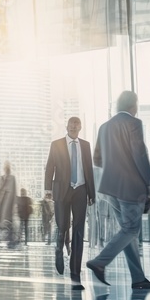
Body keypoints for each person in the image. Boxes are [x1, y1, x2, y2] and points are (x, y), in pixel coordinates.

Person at [85, 91, 150, 290]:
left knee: (128, 232)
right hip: (130, 187)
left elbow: (97, 160)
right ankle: (100, 262)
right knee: (131, 229)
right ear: (133, 105)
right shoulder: (133, 123)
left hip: (110, 188)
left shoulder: (104, 127)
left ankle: (138, 278)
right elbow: (139, 155)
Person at [45, 116, 97, 289]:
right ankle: (59, 249)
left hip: (81, 190)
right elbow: (50, 167)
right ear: (66, 127)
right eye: (71, 125)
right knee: (62, 226)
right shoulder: (57, 144)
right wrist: (48, 189)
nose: (74, 127)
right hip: (62, 189)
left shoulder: (86, 145)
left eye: (77, 125)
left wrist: (91, 193)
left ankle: (75, 275)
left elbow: (89, 170)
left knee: (79, 231)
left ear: (80, 127)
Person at [0, 162, 17, 242]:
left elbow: (14, 190)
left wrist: (14, 203)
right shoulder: (1, 178)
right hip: (2, 200)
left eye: (8, 167)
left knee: (8, 219)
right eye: (5, 167)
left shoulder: (12, 178)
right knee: (2, 219)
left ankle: (10, 237)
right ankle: (2, 237)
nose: (6, 169)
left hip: (9, 201)